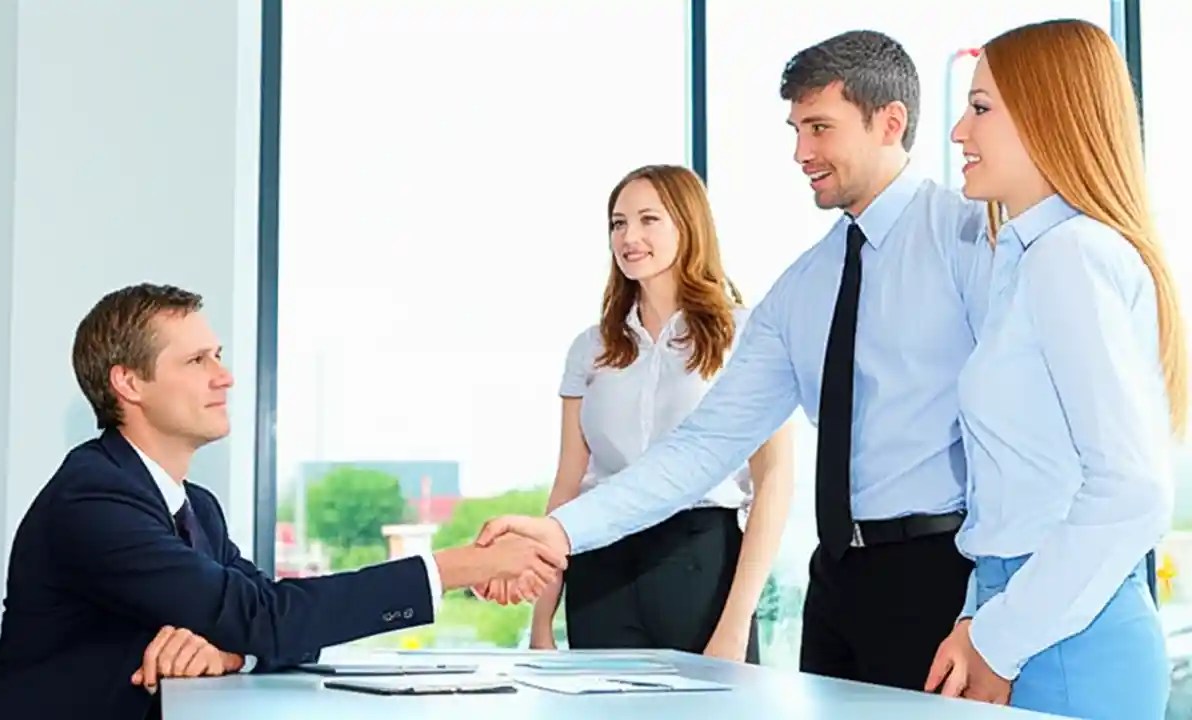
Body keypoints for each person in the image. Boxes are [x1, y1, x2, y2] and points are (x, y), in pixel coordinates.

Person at [476, 30, 990, 691]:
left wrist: (991, 603)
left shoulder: (970, 241)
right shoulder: (803, 288)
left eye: (819, 128)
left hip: (945, 572)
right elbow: (704, 446)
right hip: (836, 578)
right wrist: (560, 532)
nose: (801, 153)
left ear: (889, 123)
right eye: (795, 129)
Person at [0, 283, 565, 720]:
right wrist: (462, 567)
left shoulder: (195, 507)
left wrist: (232, 648)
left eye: (217, 355)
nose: (225, 375)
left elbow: (278, 621)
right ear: (128, 383)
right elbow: (272, 616)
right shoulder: (94, 498)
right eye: (196, 360)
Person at [924, 19, 1184, 718]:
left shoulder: (1071, 256)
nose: (958, 133)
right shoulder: (1031, 261)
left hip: (1067, 641)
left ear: (1049, 114)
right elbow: (1014, 496)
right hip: (1031, 618)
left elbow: (1131, 490)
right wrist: (979, 619)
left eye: (980, 109)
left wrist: (997, 638)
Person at [524, 165, 794, 663]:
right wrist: (541, 619)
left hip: (700, 562)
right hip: (600, 568)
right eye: (618, 223)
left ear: (688, 227)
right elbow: (568, 483)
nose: (629, 237)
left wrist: (735, 624)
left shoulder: (746, 335)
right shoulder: (591, 348)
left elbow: (773, 481)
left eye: (649, 220)